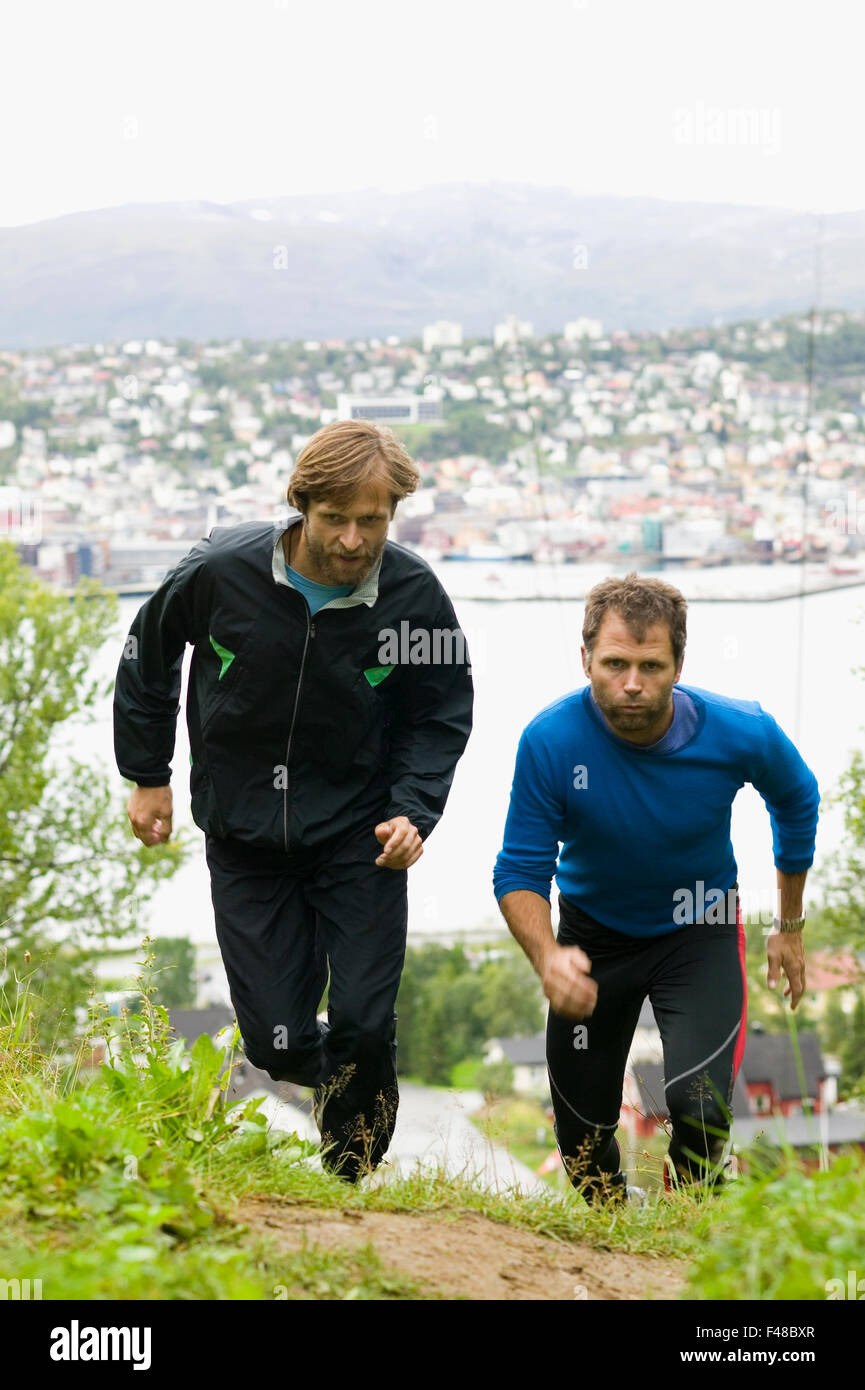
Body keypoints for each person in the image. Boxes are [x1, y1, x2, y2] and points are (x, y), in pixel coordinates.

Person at [114, 419, 473, 1181]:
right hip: (244, 832)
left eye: (370, 521)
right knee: (274, 1042)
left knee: (366, 1021)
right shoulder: (221, 570)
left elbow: (437, 712)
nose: (351, 540)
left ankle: (351, 1170)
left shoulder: (411, 596)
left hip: (360, 831)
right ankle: (351, 1080)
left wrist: (414, 811)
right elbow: (150, 651)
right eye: (334, 519)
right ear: (300, 505)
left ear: (393, 514)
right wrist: (148, 773)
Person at [493, 573, 818, 1201]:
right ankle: (611, 1236)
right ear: (585, 659)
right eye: (615, 664)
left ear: (679, 665)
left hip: (699, 931)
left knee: (699, 1105)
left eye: (651, 665)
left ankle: (689, 1224)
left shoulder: (741, 730)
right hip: (594, 937)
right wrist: (547, 956)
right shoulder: (552, 741)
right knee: (582, 1139)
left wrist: (790, 925)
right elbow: (519, 869)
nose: (633, 684)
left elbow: (797, 799)